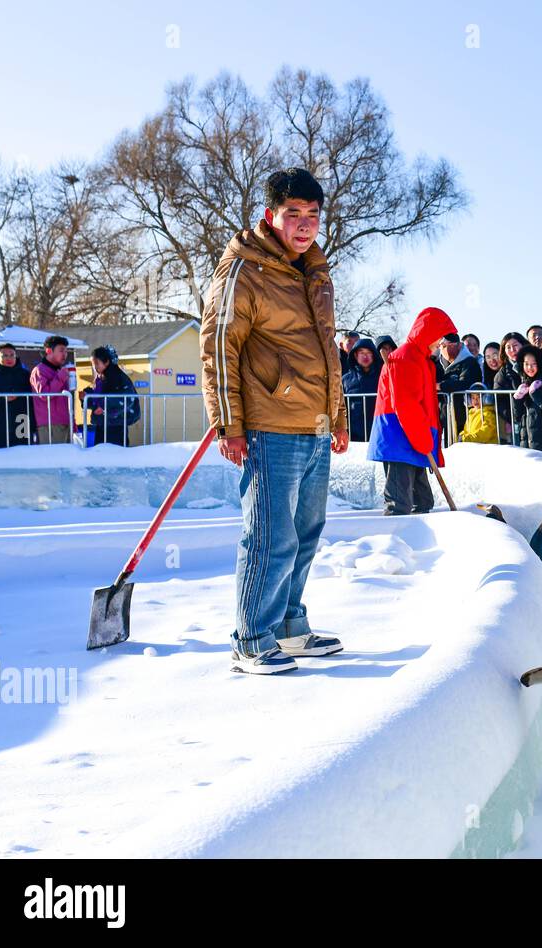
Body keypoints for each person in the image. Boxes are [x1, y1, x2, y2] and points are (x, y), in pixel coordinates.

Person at [200, 167, 349, 675]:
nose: (305, 225)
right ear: (271, 216)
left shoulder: (314, 269)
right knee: (270, 534)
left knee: (306, 531)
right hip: (268, 425)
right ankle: (251, 638)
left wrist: (338, 414)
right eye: (294, 215)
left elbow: (327, 348)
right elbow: (219, 346)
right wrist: (229, 423)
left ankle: (287, 626)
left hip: (314, 425)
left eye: (312, 215)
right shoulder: (245, 269)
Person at [369, 306, 457, 515]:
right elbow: (406, 404)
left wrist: (426, 437)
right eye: (440, 337)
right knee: (400, 503)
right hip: (400, 436)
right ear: (429, 333)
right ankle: (396, 543)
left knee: (423, 501)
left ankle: (421, 542)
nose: (441, 343)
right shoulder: (405, 357)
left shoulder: (422, 360)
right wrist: (423, 439)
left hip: (416, 436)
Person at [82, 346, 139, 447]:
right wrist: (86, 397)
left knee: (116, 457)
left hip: (116, 425)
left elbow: (127, 399)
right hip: (101, 424)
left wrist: (104, 406)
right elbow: (97, 401)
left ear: (107, 362)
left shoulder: (119, 378)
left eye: (96, 363)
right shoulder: (100, 379)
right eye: (93, 364)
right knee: (100, 456)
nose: (95, 367)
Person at [512, 344, 542, 452]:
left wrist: (535, 393)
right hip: (526, 436)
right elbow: (517, 415)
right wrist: (517, 398)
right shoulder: (523, 381)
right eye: (526, 364)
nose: (530, 368)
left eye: (533, 364)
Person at [29, 335, 73, 445]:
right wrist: (60, 378)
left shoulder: (59, 371)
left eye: (66, 351)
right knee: (53, 460)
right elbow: (44, 395)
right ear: (49, 351)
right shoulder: (39, 370)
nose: (65, 354)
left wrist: (73, 423)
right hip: (49, 425)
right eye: (61, 350)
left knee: (66, 460)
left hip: (65, 423)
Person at [437, 331, 481, 435]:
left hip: (465, 417)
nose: (443, 349)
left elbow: (465, 383)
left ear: (458, 345)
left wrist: (440, 386)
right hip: (446, 416)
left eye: (446, 346)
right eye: (441, 346)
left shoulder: (469, 362)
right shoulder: (439, 363)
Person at [341, 337, 381, 442]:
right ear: (355, 355)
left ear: (374, 355)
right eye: (361, 353)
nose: (365, 356)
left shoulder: (382, 377)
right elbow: (341, 408)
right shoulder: (345, 380)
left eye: (369, 353)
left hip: (378, 435)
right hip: (353, 438)